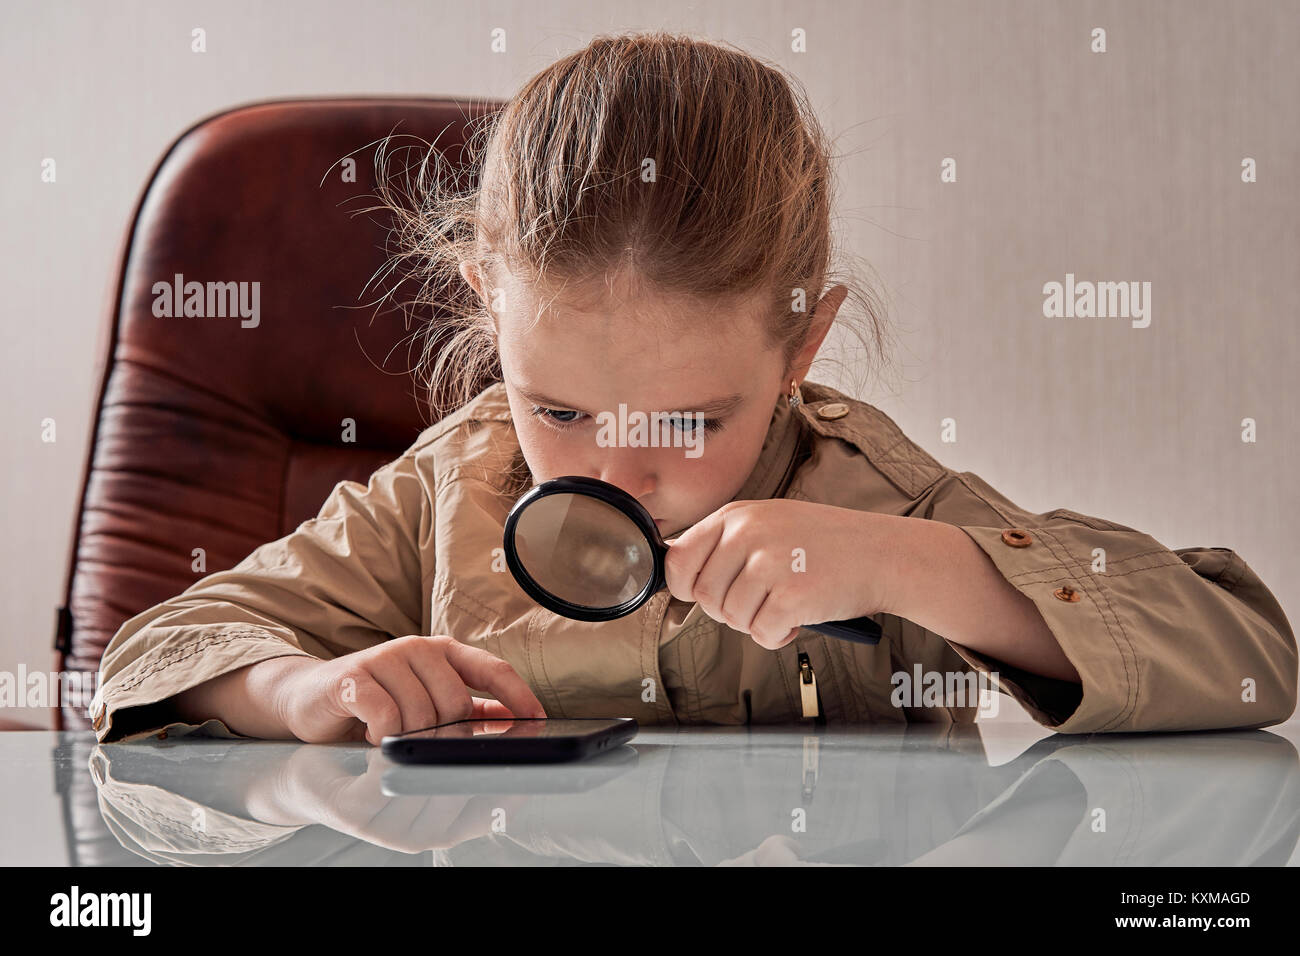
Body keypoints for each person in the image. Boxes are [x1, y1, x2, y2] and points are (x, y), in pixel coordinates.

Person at [91, 32, 1296, 745]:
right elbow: (156, 648)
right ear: (485, 309)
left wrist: (916, 565)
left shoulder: (865, 492)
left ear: (800, 349)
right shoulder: (444, 487)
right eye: (556, 409)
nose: (615, 477)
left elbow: (1249, 653)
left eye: (685, 420)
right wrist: (300, 685)